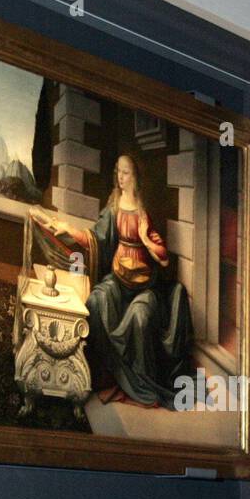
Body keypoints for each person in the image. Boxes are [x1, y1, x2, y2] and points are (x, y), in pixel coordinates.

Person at [28, 153, 191, 408]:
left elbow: (164, 259)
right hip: (117, 279)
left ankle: (140, 383)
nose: (120, 177)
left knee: (140, 316)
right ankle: (103, 375)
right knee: (96, 300)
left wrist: (146, 241)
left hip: (145, 287)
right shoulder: (114, 206)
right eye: (118, 172)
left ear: (137, 176)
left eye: (126, 172)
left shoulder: (146, 210)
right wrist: (68, 229)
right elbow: (96, 238)